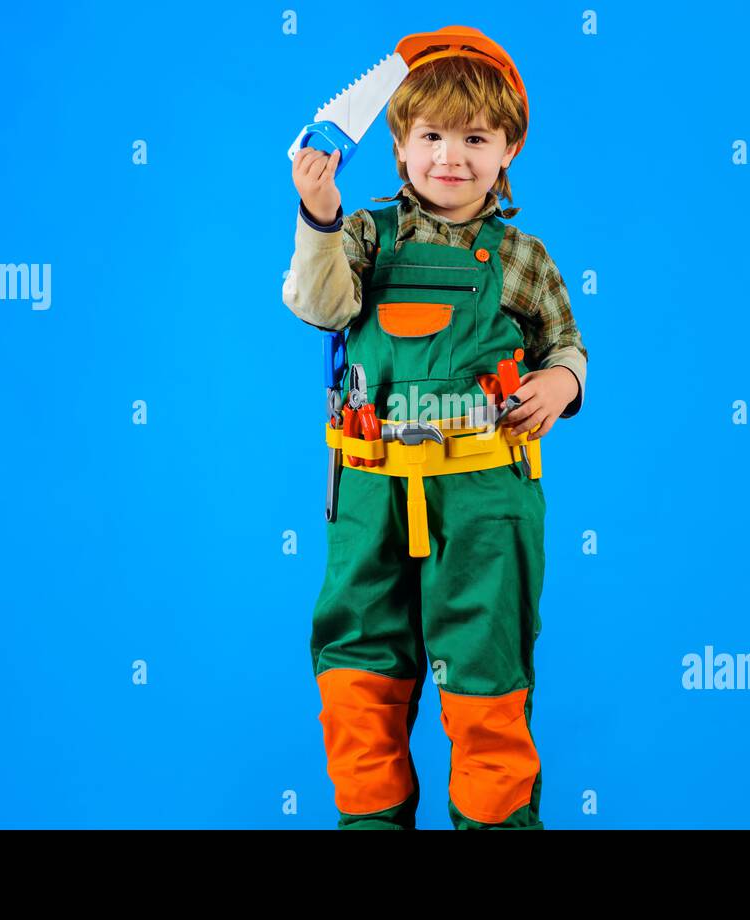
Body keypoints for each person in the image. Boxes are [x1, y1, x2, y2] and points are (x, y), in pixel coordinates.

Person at [283, 25, 588, 830]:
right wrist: (318, 215)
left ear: (509, 148)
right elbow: (320, 304)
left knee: (486, 687)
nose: (450, 157)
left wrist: (562, 380)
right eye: (431, 136)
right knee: (359, 681)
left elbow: (565, 343)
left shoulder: (521, 257)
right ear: (398, 141)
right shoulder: (364, 237)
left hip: (485, 503)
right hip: (370, 499)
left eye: (476, 138)